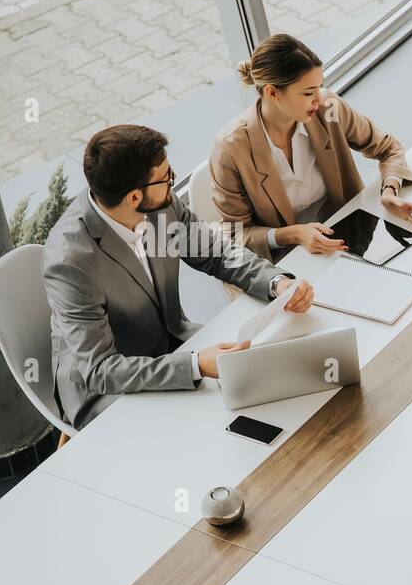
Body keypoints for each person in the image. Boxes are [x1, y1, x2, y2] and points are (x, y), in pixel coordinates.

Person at [43, 125, 314, 431]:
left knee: (271, 389)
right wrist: (195, 364)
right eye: (167, 178)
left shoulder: (159, 202)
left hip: (173, 344)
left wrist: (277, 282)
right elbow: (101, 370)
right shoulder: (69, 262)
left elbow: (215, 252)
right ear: (134, 197)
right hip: (107, 392)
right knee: (213, 426)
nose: (172, 185)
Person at [208, 33, 412, 260]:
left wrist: (389, 191)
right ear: (272, 92)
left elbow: (387, 147)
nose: (318, 99)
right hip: (286, 261)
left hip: (351, 239)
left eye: (318, 88)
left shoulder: (328, 108)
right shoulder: (230, 149)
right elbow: (234, 234)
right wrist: (291, 235)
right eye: (308, 92)